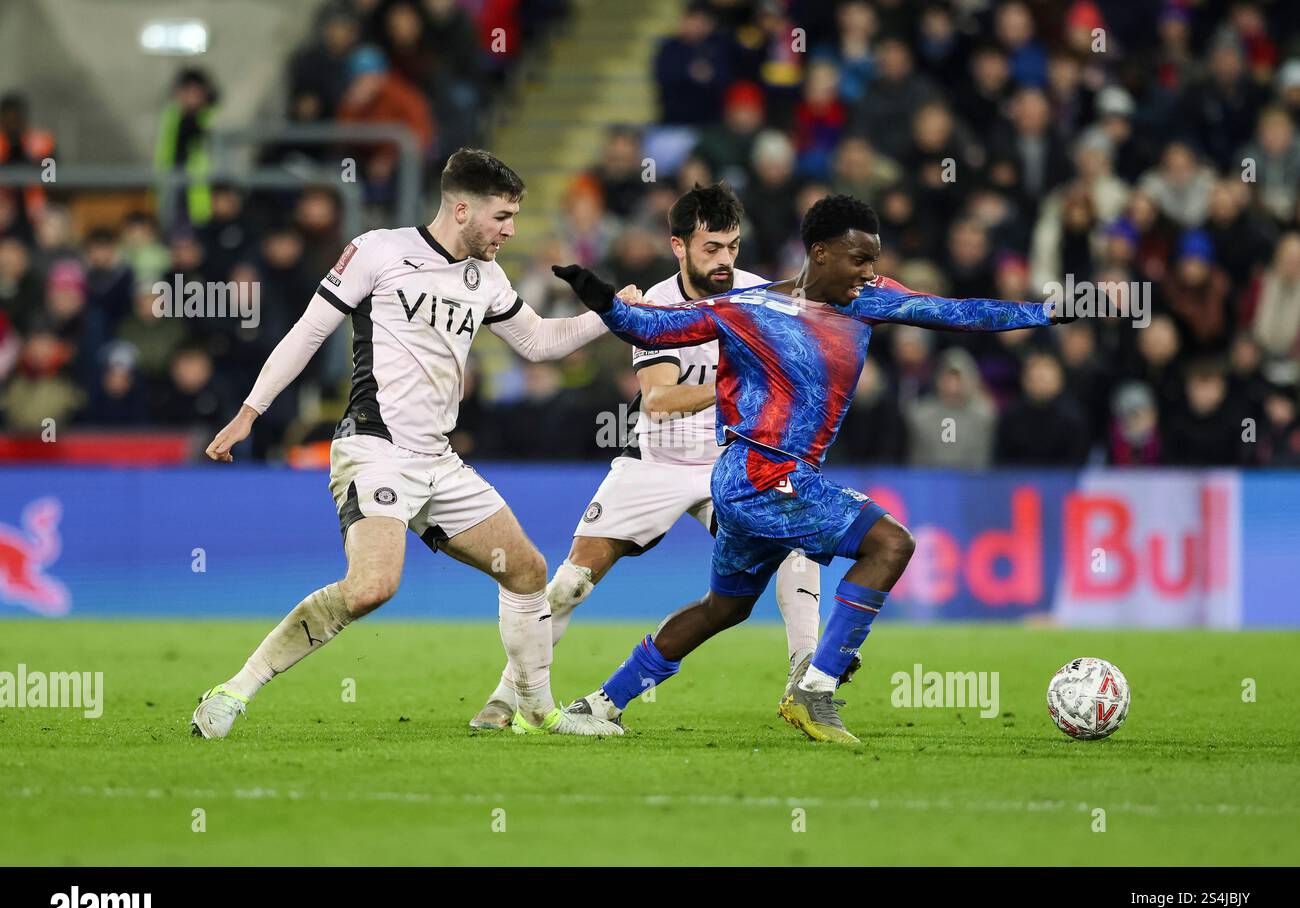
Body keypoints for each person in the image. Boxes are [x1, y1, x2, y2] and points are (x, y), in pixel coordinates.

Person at [551, 195, 1064, 744]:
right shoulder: (749, 308)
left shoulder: (866, 300)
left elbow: (959, 312)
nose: (869, 273)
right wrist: (603, 300)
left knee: (724, 608)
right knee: (890, 545)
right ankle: (814, 688)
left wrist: (1051, 311)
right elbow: (653, 329)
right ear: (819, 254)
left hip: (749, 481)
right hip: (761, 475)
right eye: (858, 260)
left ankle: (601, 703)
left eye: (874, 261)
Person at [191, 149, 627, 740]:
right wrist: (250, 411)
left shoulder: (487, 277)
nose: (511, 230)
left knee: (526, 570)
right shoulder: (380, 250)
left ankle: (535, 712)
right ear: (463, 207)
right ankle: (232, 692)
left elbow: (539, 343)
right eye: (502, 217)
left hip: (436, 459)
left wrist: (613, 311)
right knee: (372, 587)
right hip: (374, 445)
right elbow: (309, 331)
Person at [469, 183, 824, 730]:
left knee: (799, 548)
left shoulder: (762, 297)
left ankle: (805, 681)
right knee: (568, 585)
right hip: (656, 464)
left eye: (732, 246)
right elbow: (659, 402)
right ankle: (507, 696)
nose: (725, 260)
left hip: (733, 461)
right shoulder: (654, 307)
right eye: (711, 248)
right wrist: (742, 378)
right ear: (678, 246)